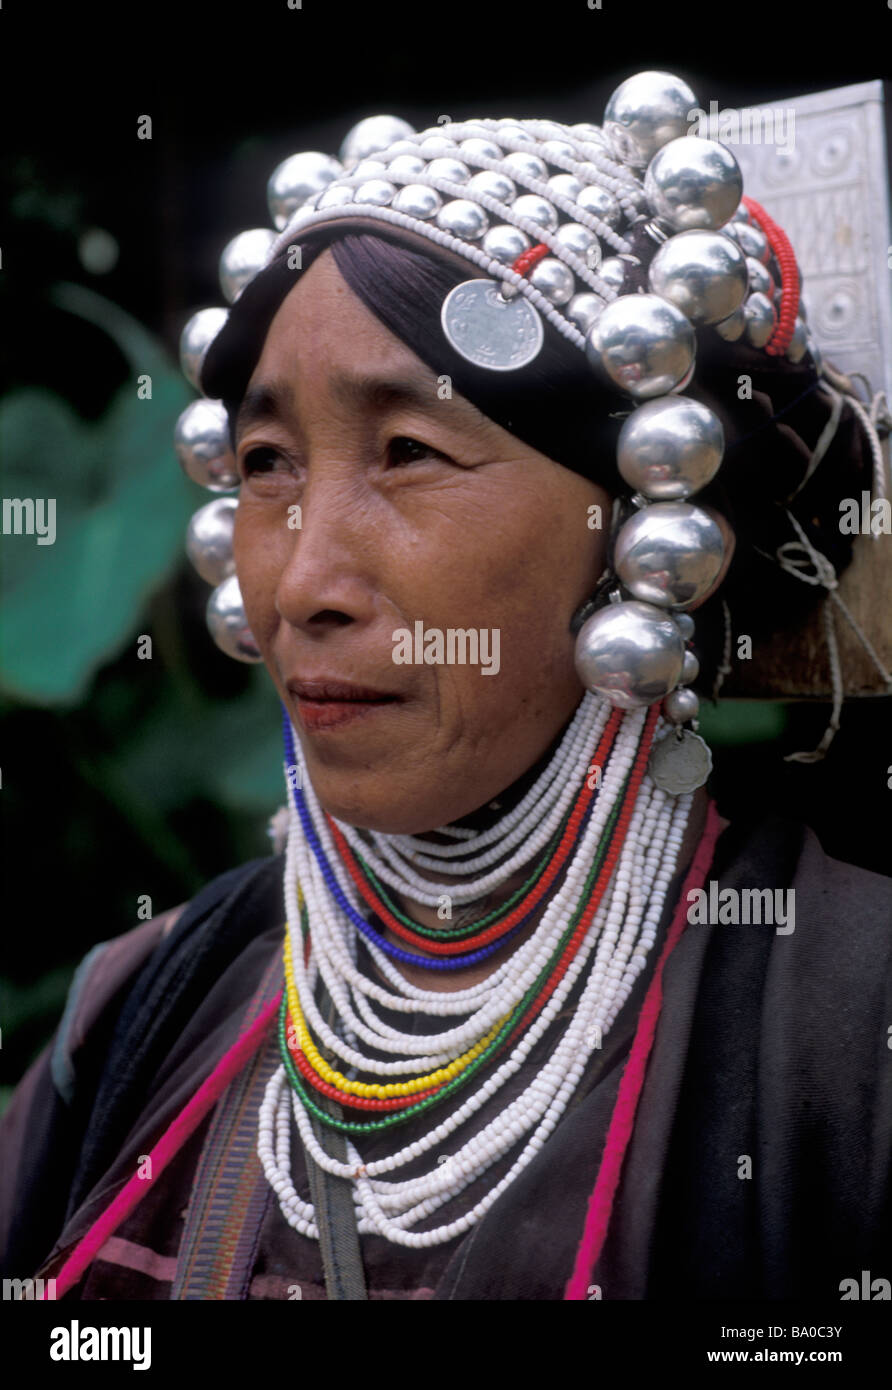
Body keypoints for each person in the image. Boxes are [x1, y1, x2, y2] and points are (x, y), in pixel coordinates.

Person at [2, 71, 891, 1302]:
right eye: (264, 463)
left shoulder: (843, 1035)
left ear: (644, 519)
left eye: (411, 452)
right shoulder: (144, 1006)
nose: (302, 577)